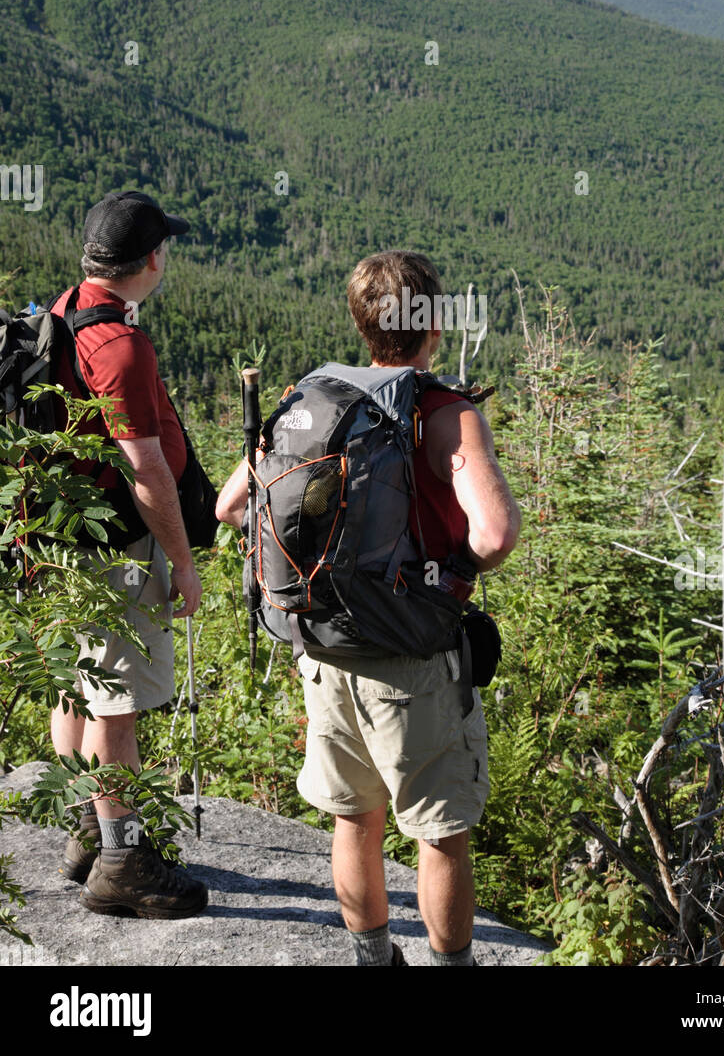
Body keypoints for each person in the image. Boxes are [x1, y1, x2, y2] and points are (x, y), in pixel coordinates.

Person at [217, 251, 521, 965]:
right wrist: (444, 579)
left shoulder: (314, 400)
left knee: (353, 818)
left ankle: (371, 957)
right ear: (433, 326)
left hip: (321, 651)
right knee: (439, 833)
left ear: (363, 324)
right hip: (410, 662)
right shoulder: (444, 410)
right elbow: (496, 535)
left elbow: (235, 506)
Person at [49, 190, 208, 919]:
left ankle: (89, 826)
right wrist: (181, 560)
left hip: (63, 539)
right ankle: (122, 860)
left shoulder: (63, 313)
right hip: (117, 547)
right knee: (117, 699)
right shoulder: (121, 346)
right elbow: (147, 472)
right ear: (149, 259)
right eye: (163, 248)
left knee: (76, 683)